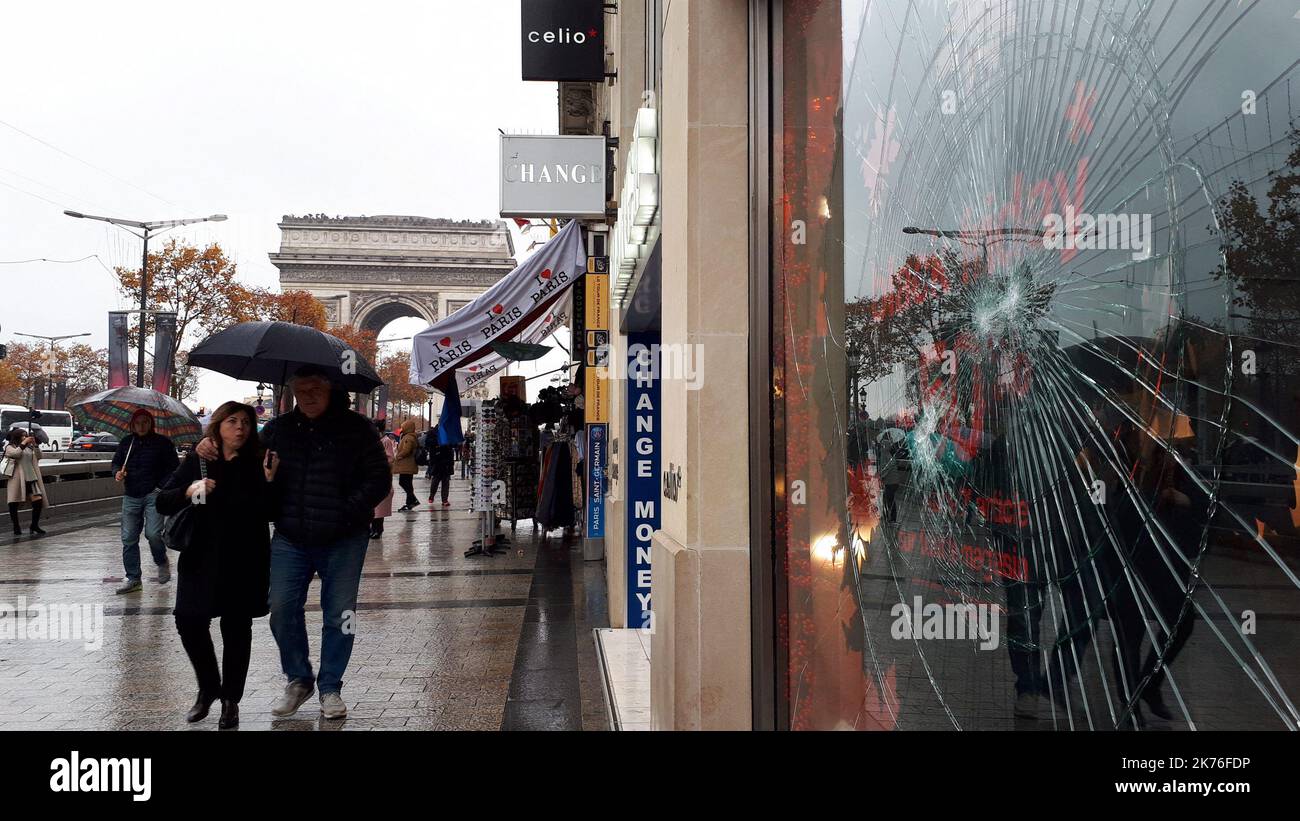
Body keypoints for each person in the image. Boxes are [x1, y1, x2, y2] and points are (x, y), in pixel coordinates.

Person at [194, 366, 391, 720]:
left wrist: (346, 512)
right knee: (281, 608)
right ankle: (299, 678)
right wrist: (209, 442)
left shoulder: (357, 428)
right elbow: (240, 458)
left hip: (344, 537)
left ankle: (331, 687)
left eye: (315, 389)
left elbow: (379, 479)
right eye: (300, 390)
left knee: (340, 614)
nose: (308, 397)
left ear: (331, 389)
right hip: (291, 536)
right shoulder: (278, 429)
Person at [156, 402, 276, 730]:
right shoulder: (200, 460)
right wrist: (191, 490)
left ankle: (230, 701)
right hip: (202, 556)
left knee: (237, 629)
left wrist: (269, 481)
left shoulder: (260, 462)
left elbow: (270, 512)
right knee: (189, 621)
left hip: (246, 558)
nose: (240, 428)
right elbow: (162, 501)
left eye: (246, 423)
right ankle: (209, 687)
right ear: (218, 427)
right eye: (232, 421)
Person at [111, 409, 179, 594]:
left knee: (153, 534)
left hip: (153, 495)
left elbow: (174, 468)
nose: (141, 426)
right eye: (138, 423)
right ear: (132, 424)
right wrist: (117, 472)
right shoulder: (127, 443)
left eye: (145, 422)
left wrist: (160, 487)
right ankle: (133, 578)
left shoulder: (163, 443)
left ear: (151, 424)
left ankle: (161, 560)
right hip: (131, 494)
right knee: (128, 538)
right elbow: (116, 462)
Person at [5, 428, 47, 536]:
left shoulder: (29, 447)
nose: (25, 437)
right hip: (17, 479)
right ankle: (16, 526)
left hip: (31, 478)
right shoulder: (10, 447)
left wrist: (35, 445)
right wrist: (23, 443)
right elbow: (16, 454)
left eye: (26, 435)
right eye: (23, 436)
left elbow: (39, 456)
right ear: (17, 437)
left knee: (38, 502)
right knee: (14, 503)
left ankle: (34, 525)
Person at [371, 418, 396, 538]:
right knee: (373, 505)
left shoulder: (385, 441)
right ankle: (373, 528)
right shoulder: (373, 440)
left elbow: (390, 458)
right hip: (372, 476)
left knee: (379, 506)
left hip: (381, 476)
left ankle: (378, 529)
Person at [392, 417, 420, 511]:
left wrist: (399, 456)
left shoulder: (409, 437)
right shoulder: (409, 436)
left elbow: (406, 450)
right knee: (407, 483)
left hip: (407, 464)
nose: (402, 428)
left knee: (404, 482)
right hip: (407, 465)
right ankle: (411, 502)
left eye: (403, 427)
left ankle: (412, 501)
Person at [428, 443, 455, 507]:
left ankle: (444, 500)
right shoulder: (434, 439)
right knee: (435, 482)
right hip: (438, 465)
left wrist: (450, 464)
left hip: (446, 466)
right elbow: (432, 454)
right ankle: (431, 496)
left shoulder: (448, 442)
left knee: (445, 483)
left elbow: (451, 453)